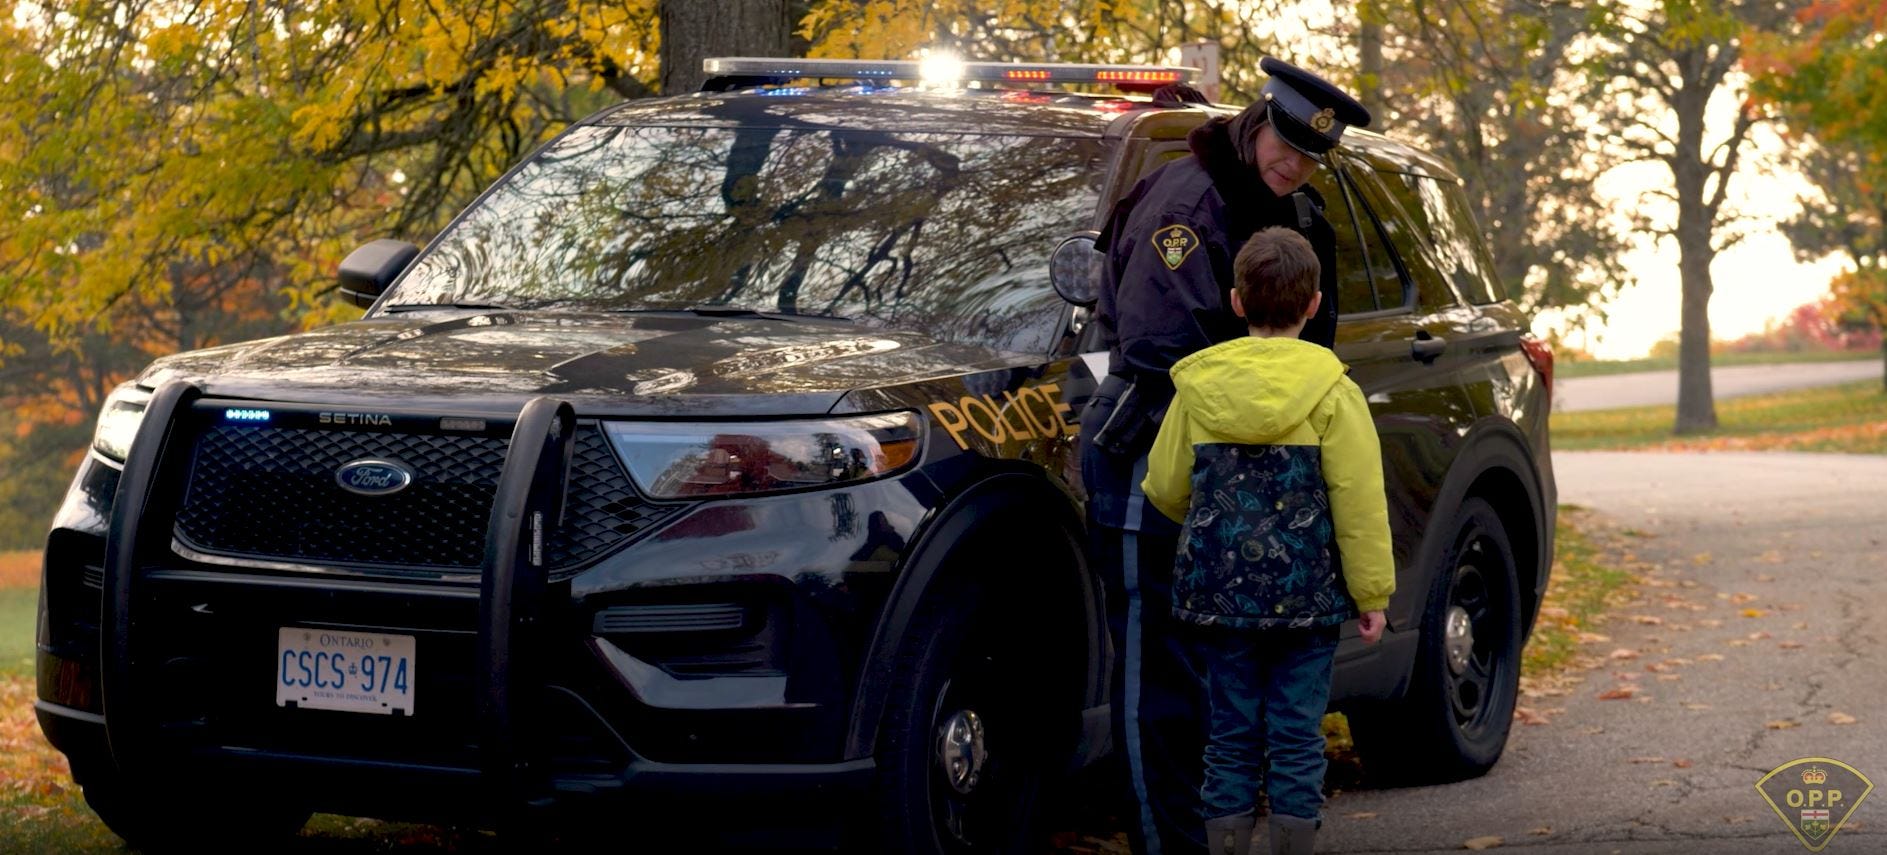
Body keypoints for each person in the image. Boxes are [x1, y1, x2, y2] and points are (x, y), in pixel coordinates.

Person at [1077, 57, 1372, 855]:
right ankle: (1166, 841)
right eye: (1285, 144)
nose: (1295, 165)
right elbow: (1155, 343)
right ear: (1255, 120)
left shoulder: (1295, 212)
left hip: (1239, 476)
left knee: (1221, 679)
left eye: (1312, 157)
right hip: (1153, 445)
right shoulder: (1187, 200)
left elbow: (1318, 343)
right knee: (1159, 674)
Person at [1140, 227, 1394, 855]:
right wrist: (1372, 593)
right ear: (1314, 305)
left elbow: (1166, 487)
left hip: (1220, 600)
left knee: (1229, 732)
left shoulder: (1197, 391)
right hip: (1306, 602)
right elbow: (1359, 502)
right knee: (1297, 734)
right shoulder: (1334, 392)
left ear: (1235, 301)